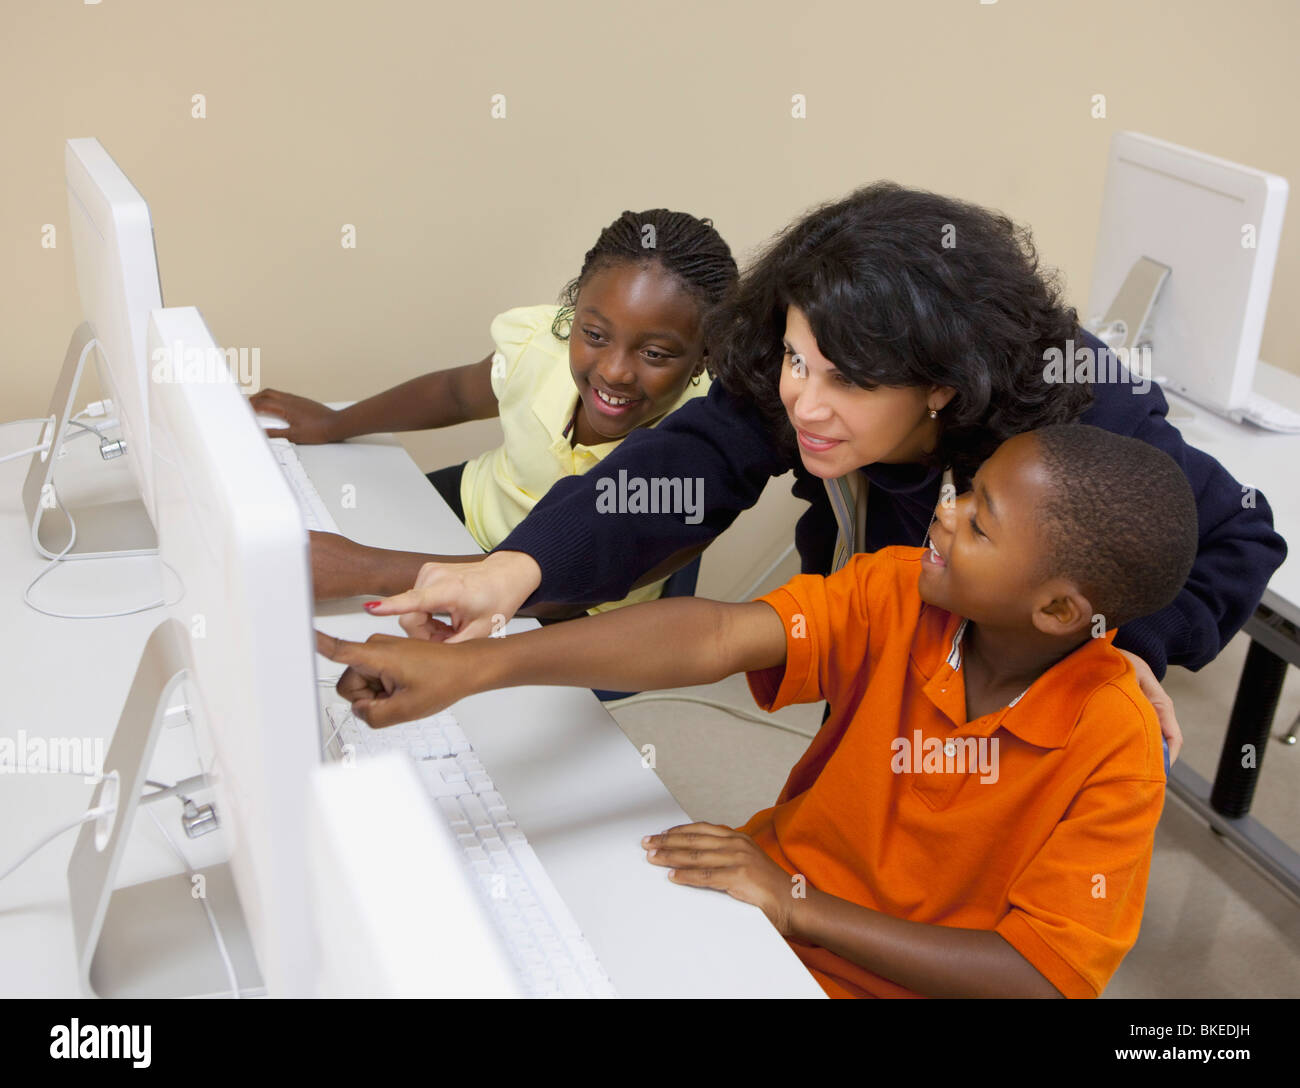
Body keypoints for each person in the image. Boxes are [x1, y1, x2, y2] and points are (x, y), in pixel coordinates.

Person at [369, 183, 1287, 760]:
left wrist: (1124, 650)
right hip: (887, 676)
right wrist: (516, 569)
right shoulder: (796, 380)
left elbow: (1240, 528)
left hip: (1015, 710)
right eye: (797, 358)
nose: (803, 400)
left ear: (940, 387)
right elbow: (682, 465)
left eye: (847, 379)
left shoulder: (1078, 422)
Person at [316, 423, 1198, 998]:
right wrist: (477, 667)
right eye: (963, 491)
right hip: (757, 910)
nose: (943, 513)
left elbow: (1040, 975)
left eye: (978, 523)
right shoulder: (902, 593)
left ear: (1054, 610)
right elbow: (716, 636)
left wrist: (798, 905)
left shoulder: (1116, 740)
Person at [250, 209, 737, 610]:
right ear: (572, 314)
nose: (614, 371)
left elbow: (568, 583)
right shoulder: (541, 346)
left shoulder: (698, 450)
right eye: (594, 334)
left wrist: (369, 568)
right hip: (476, 510)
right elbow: (455, 393)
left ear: (704, 355)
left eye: (654, 354)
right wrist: (334, 421)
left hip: (567, 598)